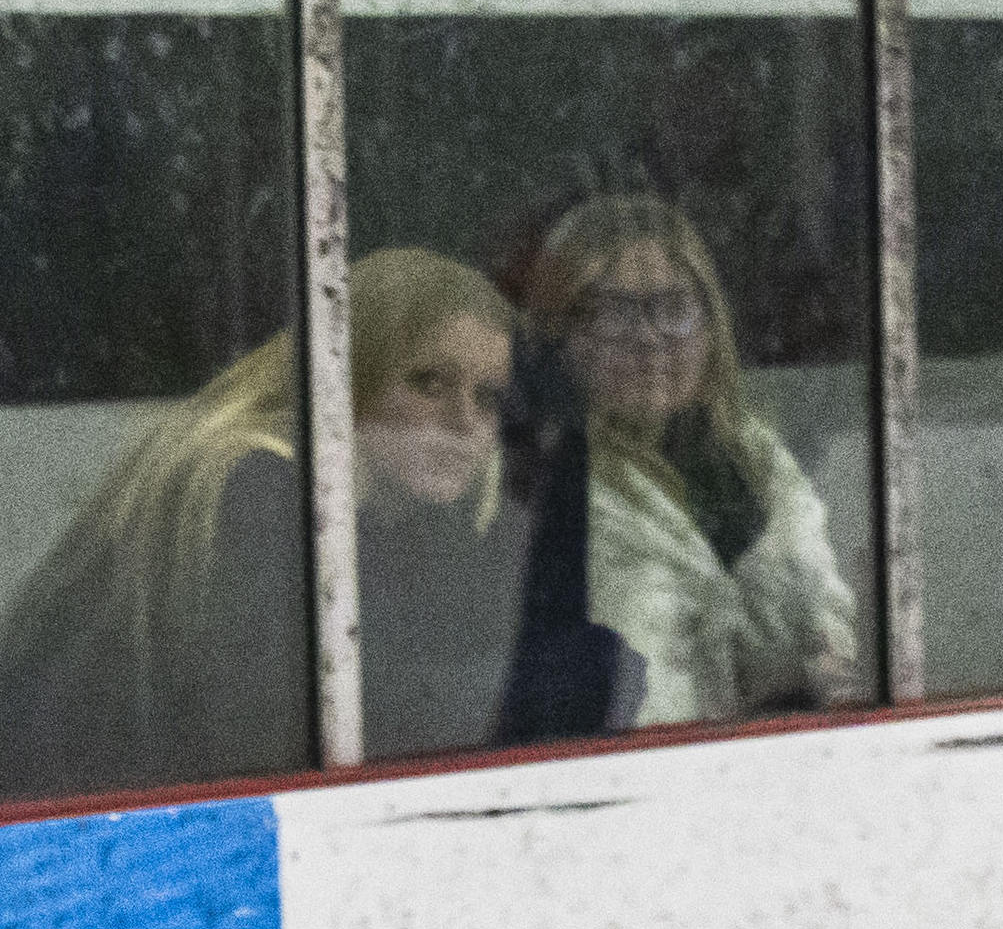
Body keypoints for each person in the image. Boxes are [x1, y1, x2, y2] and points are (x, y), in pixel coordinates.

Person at [0, 246, 592, 793]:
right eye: (428, 382)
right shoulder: (257, 483)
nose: (465, 420)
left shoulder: (389, 508)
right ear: (350, 374)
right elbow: (282, 724)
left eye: (489, 396)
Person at [523, 195, 861, 729]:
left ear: (711, 326)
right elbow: (640, 703)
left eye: (674, 308)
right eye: (615, 313)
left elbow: (825, 612)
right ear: (561, 339)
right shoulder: (551, 488)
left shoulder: (750, 454)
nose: (650, 337)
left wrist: (825, 663)